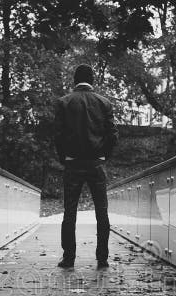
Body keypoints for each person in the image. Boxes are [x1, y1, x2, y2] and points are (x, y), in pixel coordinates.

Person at [53, 64, 118, 269]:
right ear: (92, 80)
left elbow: (58, 135)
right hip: (96, 163)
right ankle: (102, 259)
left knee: (69, 211)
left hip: (73, 163)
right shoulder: (104, 103)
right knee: (102, 211)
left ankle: (69, 258)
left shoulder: (64, 102)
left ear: (74, 80)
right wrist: (103, 155)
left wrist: (64, 158)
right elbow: (113, 135)